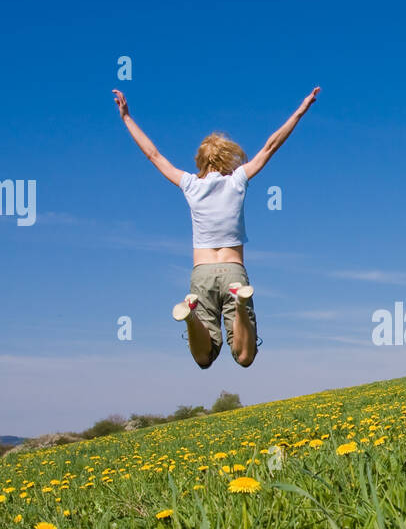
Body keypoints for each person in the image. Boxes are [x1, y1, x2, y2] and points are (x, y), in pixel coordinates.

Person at [112, 86, 320, 369]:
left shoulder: (190, 185)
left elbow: (154, 155)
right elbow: (271, 145)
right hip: (234, 270)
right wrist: (300, 110)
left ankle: (190, 317)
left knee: (204, 358)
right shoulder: (237, 180)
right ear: (228, 158)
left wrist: (126, 117)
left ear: (201, 160)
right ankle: (240, 305)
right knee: (245, 358)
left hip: (202, 273)